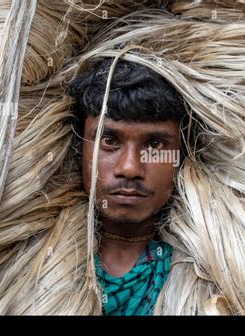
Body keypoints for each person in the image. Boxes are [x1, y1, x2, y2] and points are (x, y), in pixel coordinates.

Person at [67, 58, 188, 315]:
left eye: (155, 145)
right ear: (79, 151)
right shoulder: (35, 261)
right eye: (109, 140)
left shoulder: (206, 273)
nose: (130, 168)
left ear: (181, 157)